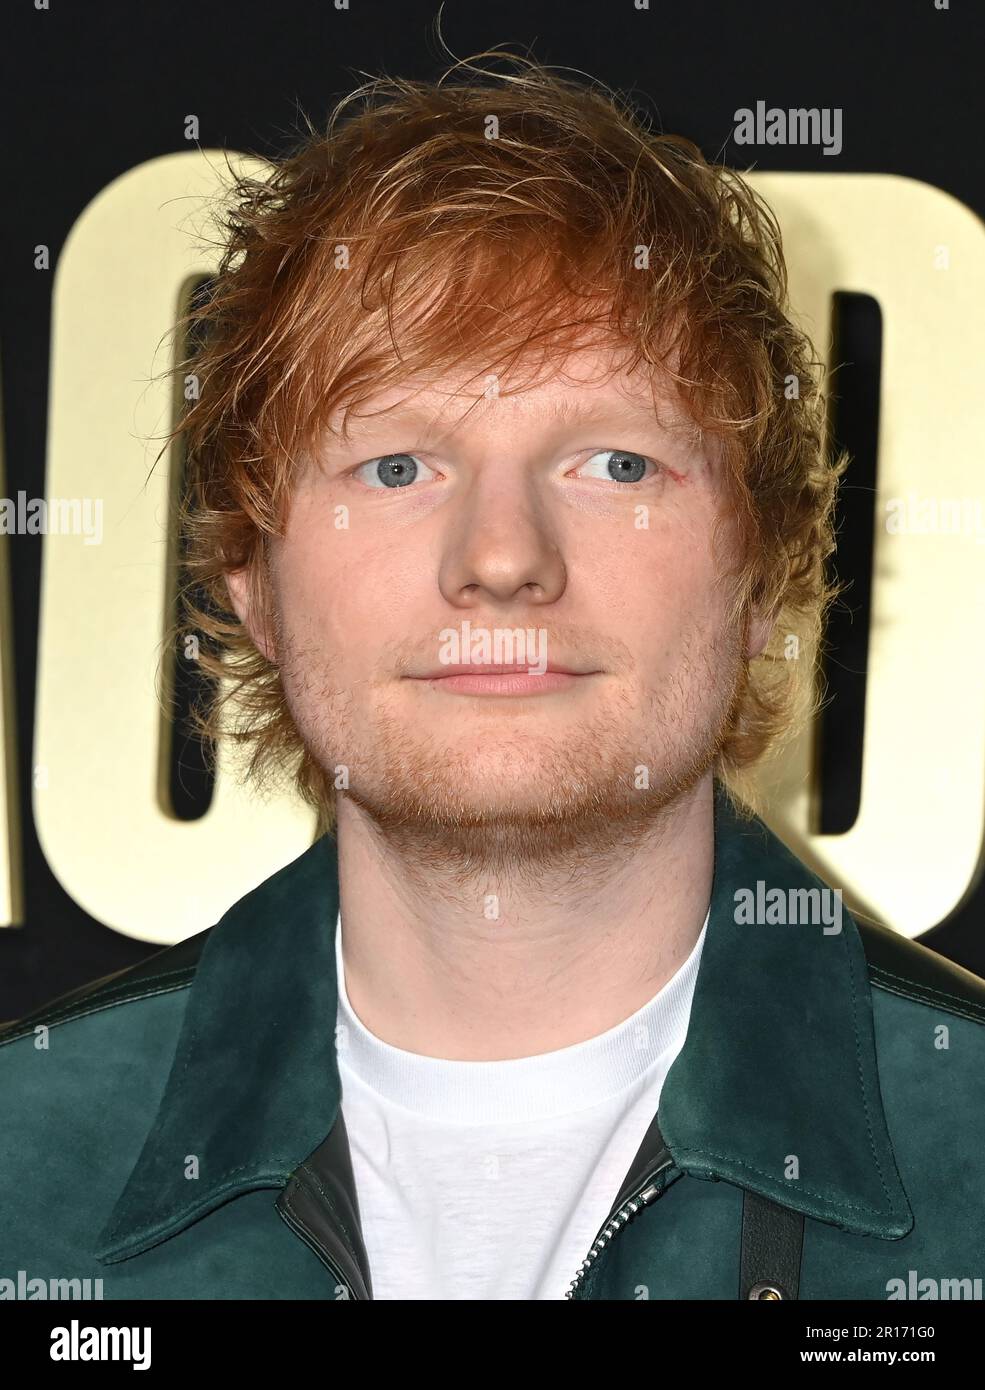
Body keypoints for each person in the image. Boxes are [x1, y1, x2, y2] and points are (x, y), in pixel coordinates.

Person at [2, 51, 983, 1303]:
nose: (503, 559)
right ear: (250, 572)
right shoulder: (18, 1164)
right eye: (398, 468)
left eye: (616, 465)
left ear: (762, 570)